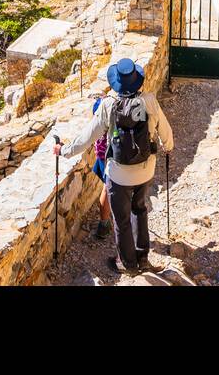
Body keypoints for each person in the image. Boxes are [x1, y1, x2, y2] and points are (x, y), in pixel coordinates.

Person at [56, 57, 174, 274]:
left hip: (118, 175)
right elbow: (166, 133)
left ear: (117, 83)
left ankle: (127, 264)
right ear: (137, 81)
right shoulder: (149, 101)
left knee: (121, 220)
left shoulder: (108, 105)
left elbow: (86, 138)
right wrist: (168, 147)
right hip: (145, 169)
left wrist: (63, 150)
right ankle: (143, 257)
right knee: (139, 209)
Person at [90, 92, 111, 239]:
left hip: (103, 156)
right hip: (112, 156)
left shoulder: (99, 110)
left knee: (107, 188)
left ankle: (104, 225)